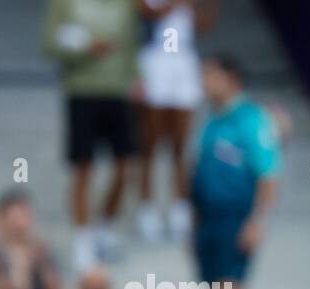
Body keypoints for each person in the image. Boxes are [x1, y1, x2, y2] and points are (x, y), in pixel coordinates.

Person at [191, 53, 283, 289]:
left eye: (210, 75)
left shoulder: (253, 120)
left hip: (236, 217)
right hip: (208, 221)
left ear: (231, 79)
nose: (203, 83)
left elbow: (269, 173)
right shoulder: (211, 123)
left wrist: (257, 220)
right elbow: (199, 178)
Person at [42, 0, 140, 269]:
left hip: (118, 92)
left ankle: (105, 229)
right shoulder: (65, 3)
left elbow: (130, 44)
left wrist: (136, 77)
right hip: (82, 90)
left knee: (125, 169)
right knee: (83, 169)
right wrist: (86, 48)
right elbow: (50, 43)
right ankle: (83, 240)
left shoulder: (124, 5)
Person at [135, 0, 216, 241]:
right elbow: (146, 14)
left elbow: (205, 24)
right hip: (155, 60)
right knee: (150, 144)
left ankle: (179, 207)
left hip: (183, 61)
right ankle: (147, 208)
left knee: (180, 145)